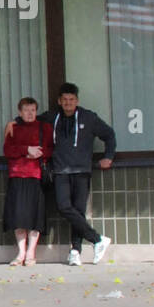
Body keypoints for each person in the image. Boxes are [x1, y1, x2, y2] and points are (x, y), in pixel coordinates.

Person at [39, 83, 115, 266]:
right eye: (64, 100)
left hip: (82, 171)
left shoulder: (88, 117)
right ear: (59, 101)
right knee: (64, 207)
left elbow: (109, 134)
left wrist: (108, 157)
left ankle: (75, 251)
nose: (68, 103)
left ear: (77, 101)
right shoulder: (51, 117)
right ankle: (97, 239)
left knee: (78, 211)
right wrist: (15, 122)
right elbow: (31, 120)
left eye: (71, 99)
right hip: (60, 171)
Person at [2, 97, 52, 266]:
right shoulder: (13, 127)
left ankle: (31, 253)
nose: (29, 114)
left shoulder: (44, 128)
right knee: (18, 216)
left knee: (34, 216)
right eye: (26, 110)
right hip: (17, 175)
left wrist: (39, 153)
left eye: (32, 110)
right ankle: (21, 253)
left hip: (36, 175)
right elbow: (7, 150)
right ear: (19, 112)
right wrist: (26, 150)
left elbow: (51, 149)